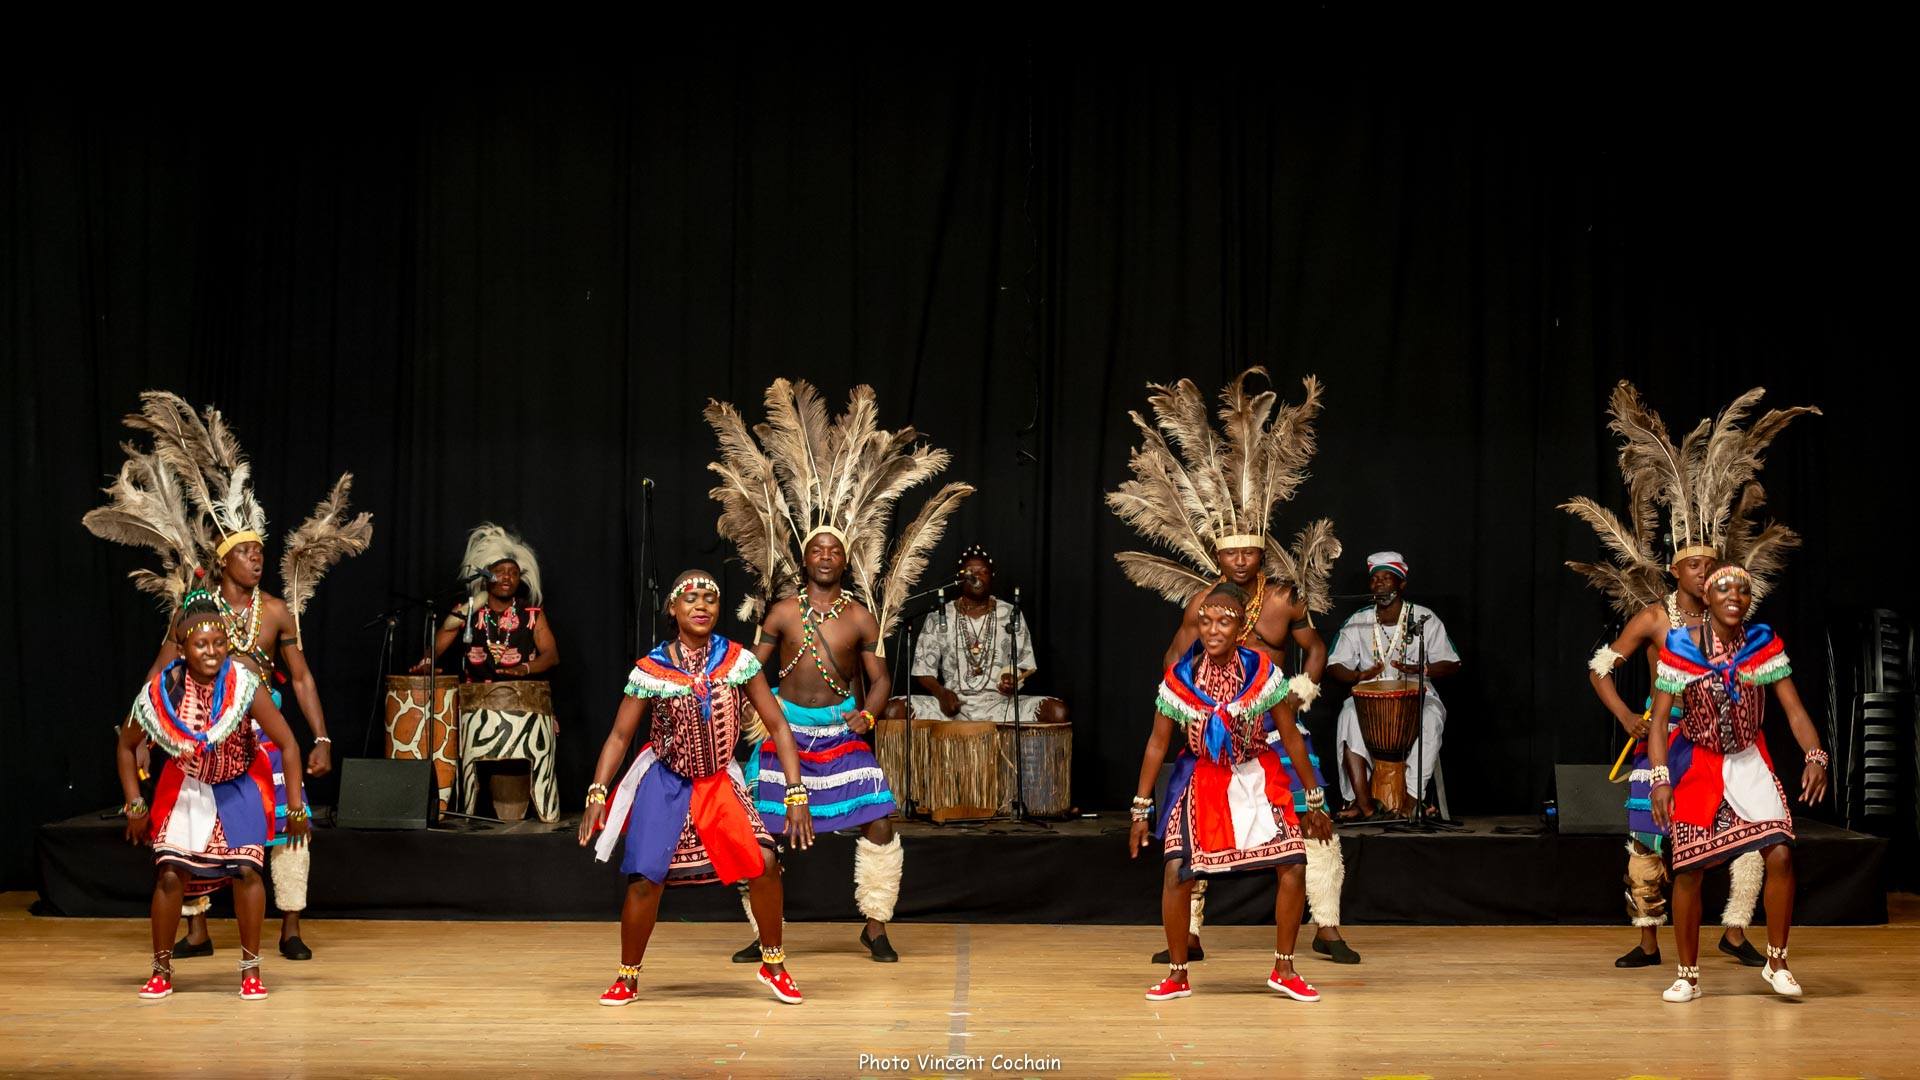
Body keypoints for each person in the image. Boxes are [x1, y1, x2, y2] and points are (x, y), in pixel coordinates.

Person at [705, 378, 973, 963]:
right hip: (785, 733)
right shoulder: (779, 611)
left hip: (840, 732)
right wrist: (749, 718)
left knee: (879, 823)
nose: (825, 555)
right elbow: (749, 670)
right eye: (816, 549)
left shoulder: (860, 617)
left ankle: (875, 927)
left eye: (834, 550)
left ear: (845, 559)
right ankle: (765, 931)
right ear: (803, 558)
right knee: (763, 832)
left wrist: (867, 714)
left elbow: (878, 679)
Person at [97, 392, 369, 963]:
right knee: (192, 817)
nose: (256, 559)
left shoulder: (274, 611)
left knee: (285, 826)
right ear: (223, 560)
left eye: (260, 551)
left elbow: (301, 677)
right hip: (200, 726)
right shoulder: (195, 611)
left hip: (263, 732)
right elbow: (160, 674)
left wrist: (319, 738)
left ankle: (289, 926)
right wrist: (142, 736)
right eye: (246, 552)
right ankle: (196, 932)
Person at [1562, 381, 1817, 969]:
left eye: (1710, 565)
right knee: (1652, 842)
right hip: (1666, 736)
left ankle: (1733, 932)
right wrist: (1627, 714)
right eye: (1694, 566)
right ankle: (1651, 941)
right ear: (1677, 571)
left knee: (1752, 838)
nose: (1704, 575)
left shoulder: (1737, 621)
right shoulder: (1655, 618)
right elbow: (1601, 667)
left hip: (1724, 738)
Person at [1105, 367, 1355, 965]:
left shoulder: (1284, 596)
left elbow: (1316, 648)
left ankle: (1326, 927)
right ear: (1217, 553)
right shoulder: (1203, 606)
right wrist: (1184, 699)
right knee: (1191, 833)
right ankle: (1186, 936)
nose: (1241, 560)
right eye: (1230, 552)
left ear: (1262, 550)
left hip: (1274, 727)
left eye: (1249, 551)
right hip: (1212, 734)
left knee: (1310, 820)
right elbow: (1174, 659)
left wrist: (1302, 690)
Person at [582, 571, 814, 1005]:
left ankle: (773, 964)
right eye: (690, 599)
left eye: (709, 598)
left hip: (718, 780)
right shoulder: (652, 669)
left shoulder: (736, 661)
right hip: (666, 781)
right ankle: (627, 976)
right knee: (644, 881)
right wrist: (598, 791)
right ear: (673, 609)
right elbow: (618, 736)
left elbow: (778, 725)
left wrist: (795, 793)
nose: (701, 605)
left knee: (764, 861)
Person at [1129, 582, 1335, 1002]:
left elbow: (1291, 738)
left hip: (1258, 775)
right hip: (1202, 778)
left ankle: (1284, 968)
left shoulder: (1262, 674)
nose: (1212, 629)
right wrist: (1140, 808)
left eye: (1224, 621)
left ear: (1240, 628)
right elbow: (1156, 743)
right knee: (1176, 870)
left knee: (1294, 865)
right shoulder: (1180, 679)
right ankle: (1177, 973)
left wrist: (1313, 799)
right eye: (1205, 621)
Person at [116, 593, 311, 999]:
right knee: (171, 874)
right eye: (201, 645)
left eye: (219, 643)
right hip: (185, 788)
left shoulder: (245, 686)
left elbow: (288, 744)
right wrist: (135, 803)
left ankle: (251, 970)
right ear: (183, 647)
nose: (211, 652)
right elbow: (126, 742)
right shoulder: (163, 689)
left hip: (238, 786)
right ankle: (161, 971)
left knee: (246, 872)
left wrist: (295, 806)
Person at [1648, 564, 1827, 1001]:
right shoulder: (1682, 647)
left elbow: (1795, 710)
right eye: (1723, 588)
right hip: (1698, 764)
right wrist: (1659, 777)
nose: (1734, 595)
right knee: (1688, 870)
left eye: (1743, 590)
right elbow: (1657, 722)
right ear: (1706, 599)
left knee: (1781, 853)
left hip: (1748, 763)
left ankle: (1777, 961)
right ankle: (1687, 975)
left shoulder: (1762, 648)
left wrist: (1815, 755)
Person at [415, 523, 562, 821]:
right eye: (500, 571)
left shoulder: (531, 614)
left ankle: (543, 806)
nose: (507, 577)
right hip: (475, 703)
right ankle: (466, 807)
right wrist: (428, 661)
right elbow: (441, 638)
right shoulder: (470, 611)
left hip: (523, 705)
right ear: (486, 575)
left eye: (513, 572)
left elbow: (552, 656)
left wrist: (525, 667)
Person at [1326, 553, 1460, 819]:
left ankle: (1412, 801)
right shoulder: (1357, 622)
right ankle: (1361, 804)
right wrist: (1357, 676)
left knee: (1431, 720)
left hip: (1418, 695)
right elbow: (1334, 664)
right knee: (1348, 716)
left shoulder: (1424, 618)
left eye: (1387, 579)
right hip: (1368, 699)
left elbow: (1452, 662)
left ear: (1401, 585)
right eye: (1375, 580)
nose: (1379, 585)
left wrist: (1422, 670)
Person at [887, 544, 1067, 724]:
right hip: (952, 704)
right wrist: (941, 694)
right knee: (894, 711)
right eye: (970, 572)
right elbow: (923, 671)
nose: (977, 576)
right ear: (959, 577)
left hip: (1001, 705)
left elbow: (1025, 666)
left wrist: (1012, 679)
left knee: (1057, 712)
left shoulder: (1011, 614)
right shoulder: (939, 616)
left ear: (992, 577)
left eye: (983, 572)